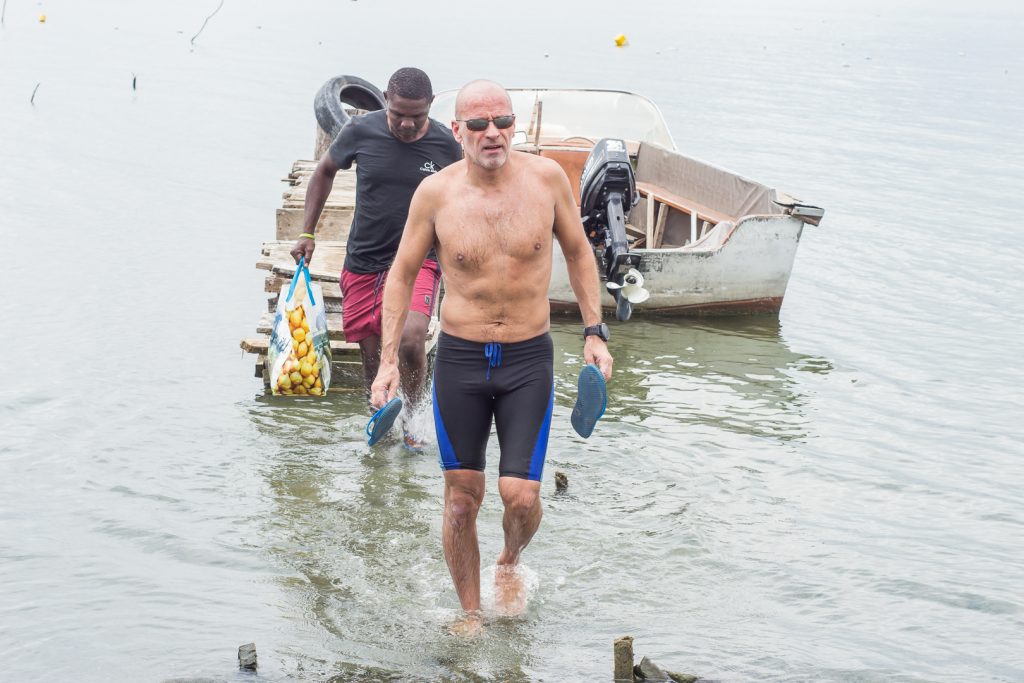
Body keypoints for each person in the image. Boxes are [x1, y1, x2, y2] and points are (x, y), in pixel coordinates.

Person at [370, 80, 613, 632]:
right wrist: (388, 362)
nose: (492, 134)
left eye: (501, 121)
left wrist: (595, 333)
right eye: (477, 125)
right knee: (462, 500)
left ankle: (509, 559)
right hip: (461, 358)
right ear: (457, 131)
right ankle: (470, 612)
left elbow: (578, 251)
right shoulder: (436, 194)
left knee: (521, 497)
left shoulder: (547, 179)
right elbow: (402, 274)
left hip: (529, 357)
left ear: (514, 124)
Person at [291, 67, 462, 449]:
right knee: (371, 349)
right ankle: (382, 414)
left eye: (415, 116)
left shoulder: (446, 145)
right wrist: (307, 232)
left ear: (429, 107)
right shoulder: (360, 131)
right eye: (397, 113)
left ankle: (415, 423)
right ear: (385, 98)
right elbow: (324, 171)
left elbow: (463, 199)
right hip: (366, 257)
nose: (405, 123)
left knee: (411, 340)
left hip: (420, 257)